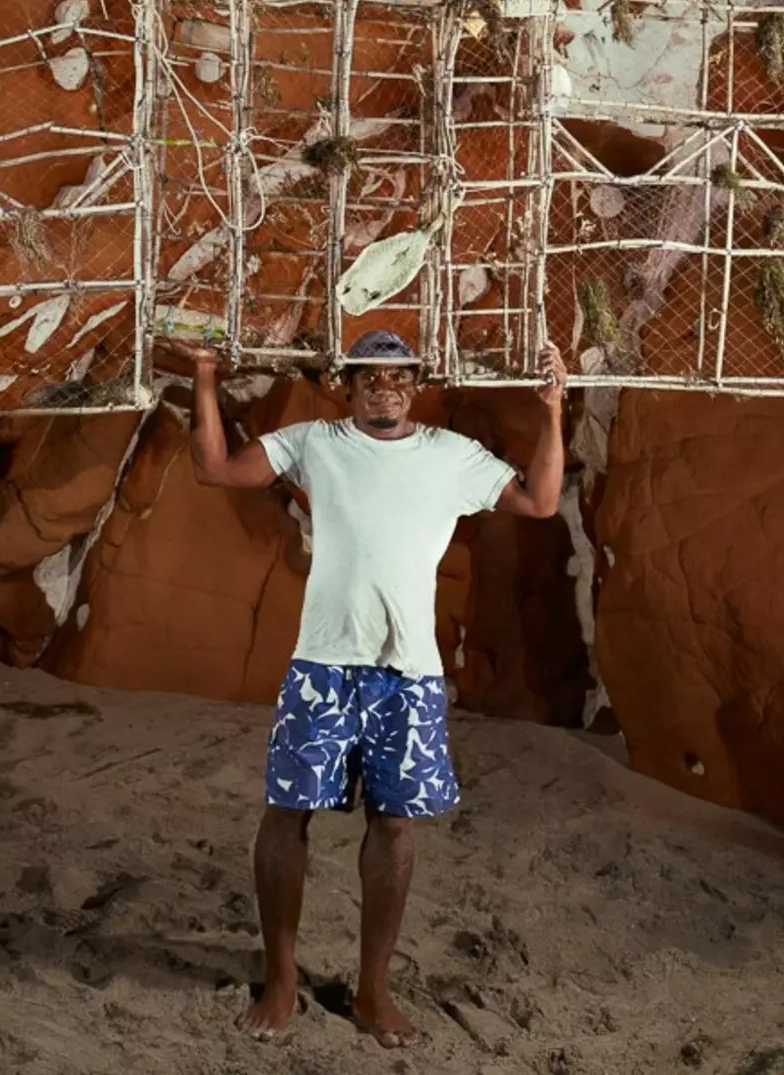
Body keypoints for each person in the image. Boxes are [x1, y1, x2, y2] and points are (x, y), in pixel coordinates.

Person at [180, 327, 567, 1048]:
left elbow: (541, 501)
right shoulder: (315, 441)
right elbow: (215, 468)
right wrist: (205, 377)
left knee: (393, 824)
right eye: (369, 376)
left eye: (398, 376)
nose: (383, 388)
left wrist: (551, 410)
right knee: (286, 812)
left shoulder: (451, 456)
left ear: (415, 383)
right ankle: (282, 977)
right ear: (347, 386)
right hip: (323, 666)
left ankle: (373, 988)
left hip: (410, 673)